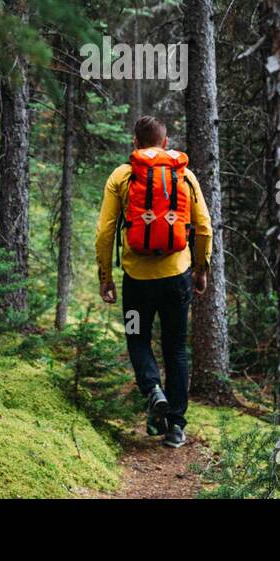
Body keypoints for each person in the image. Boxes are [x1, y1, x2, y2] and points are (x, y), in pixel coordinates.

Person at [95, 115, 212, 447]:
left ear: (134, 142)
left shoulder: (122, 176)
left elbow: (104, 232)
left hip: (136, 283)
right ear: (165, 142)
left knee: (136, 337)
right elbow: (204, 227)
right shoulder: (184, 176)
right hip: (177, 280)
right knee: (176, 348)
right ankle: (176, 426)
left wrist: (105, 276)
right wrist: (201, 269)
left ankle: (152, 390)